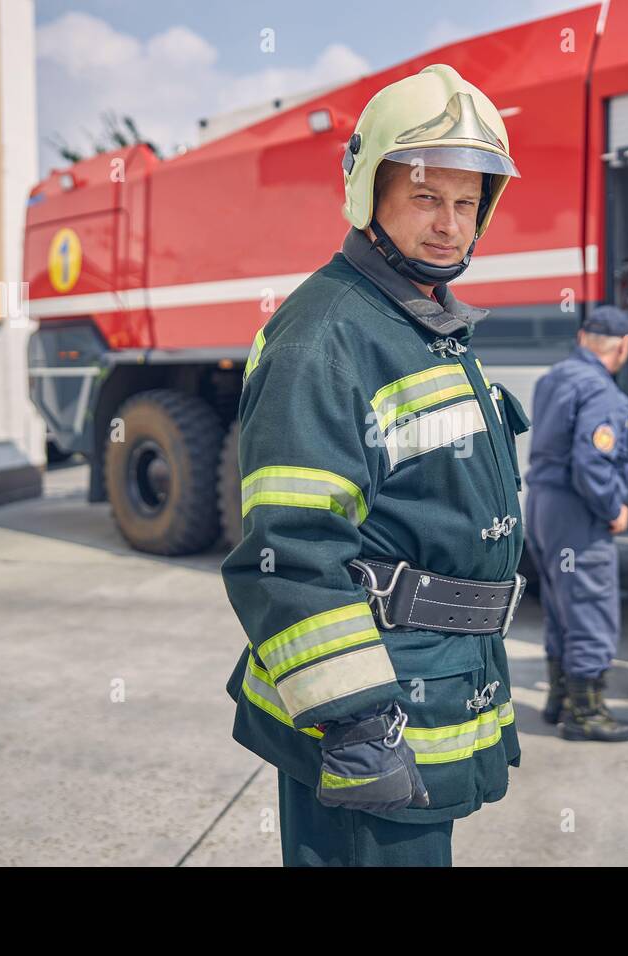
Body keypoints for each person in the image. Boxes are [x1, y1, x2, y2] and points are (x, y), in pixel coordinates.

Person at [221, 64, 530, 866]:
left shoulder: (422, 323)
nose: (450, 226)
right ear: (370, 193)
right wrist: (358, 724)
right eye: (428, 197)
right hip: (375, 713)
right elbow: (285, 553)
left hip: (440, 679)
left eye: (468, 203)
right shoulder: (326, 337)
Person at [524, 306, 628, 741]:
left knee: (559, 604)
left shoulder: (554, 378)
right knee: (590, 606)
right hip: (576, 511)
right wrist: (614, 507)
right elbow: (592, 464)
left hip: (542, 505)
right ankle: (586, 715)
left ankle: (559, 699)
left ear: (583, 337)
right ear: (623, 345)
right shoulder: (601, 390)